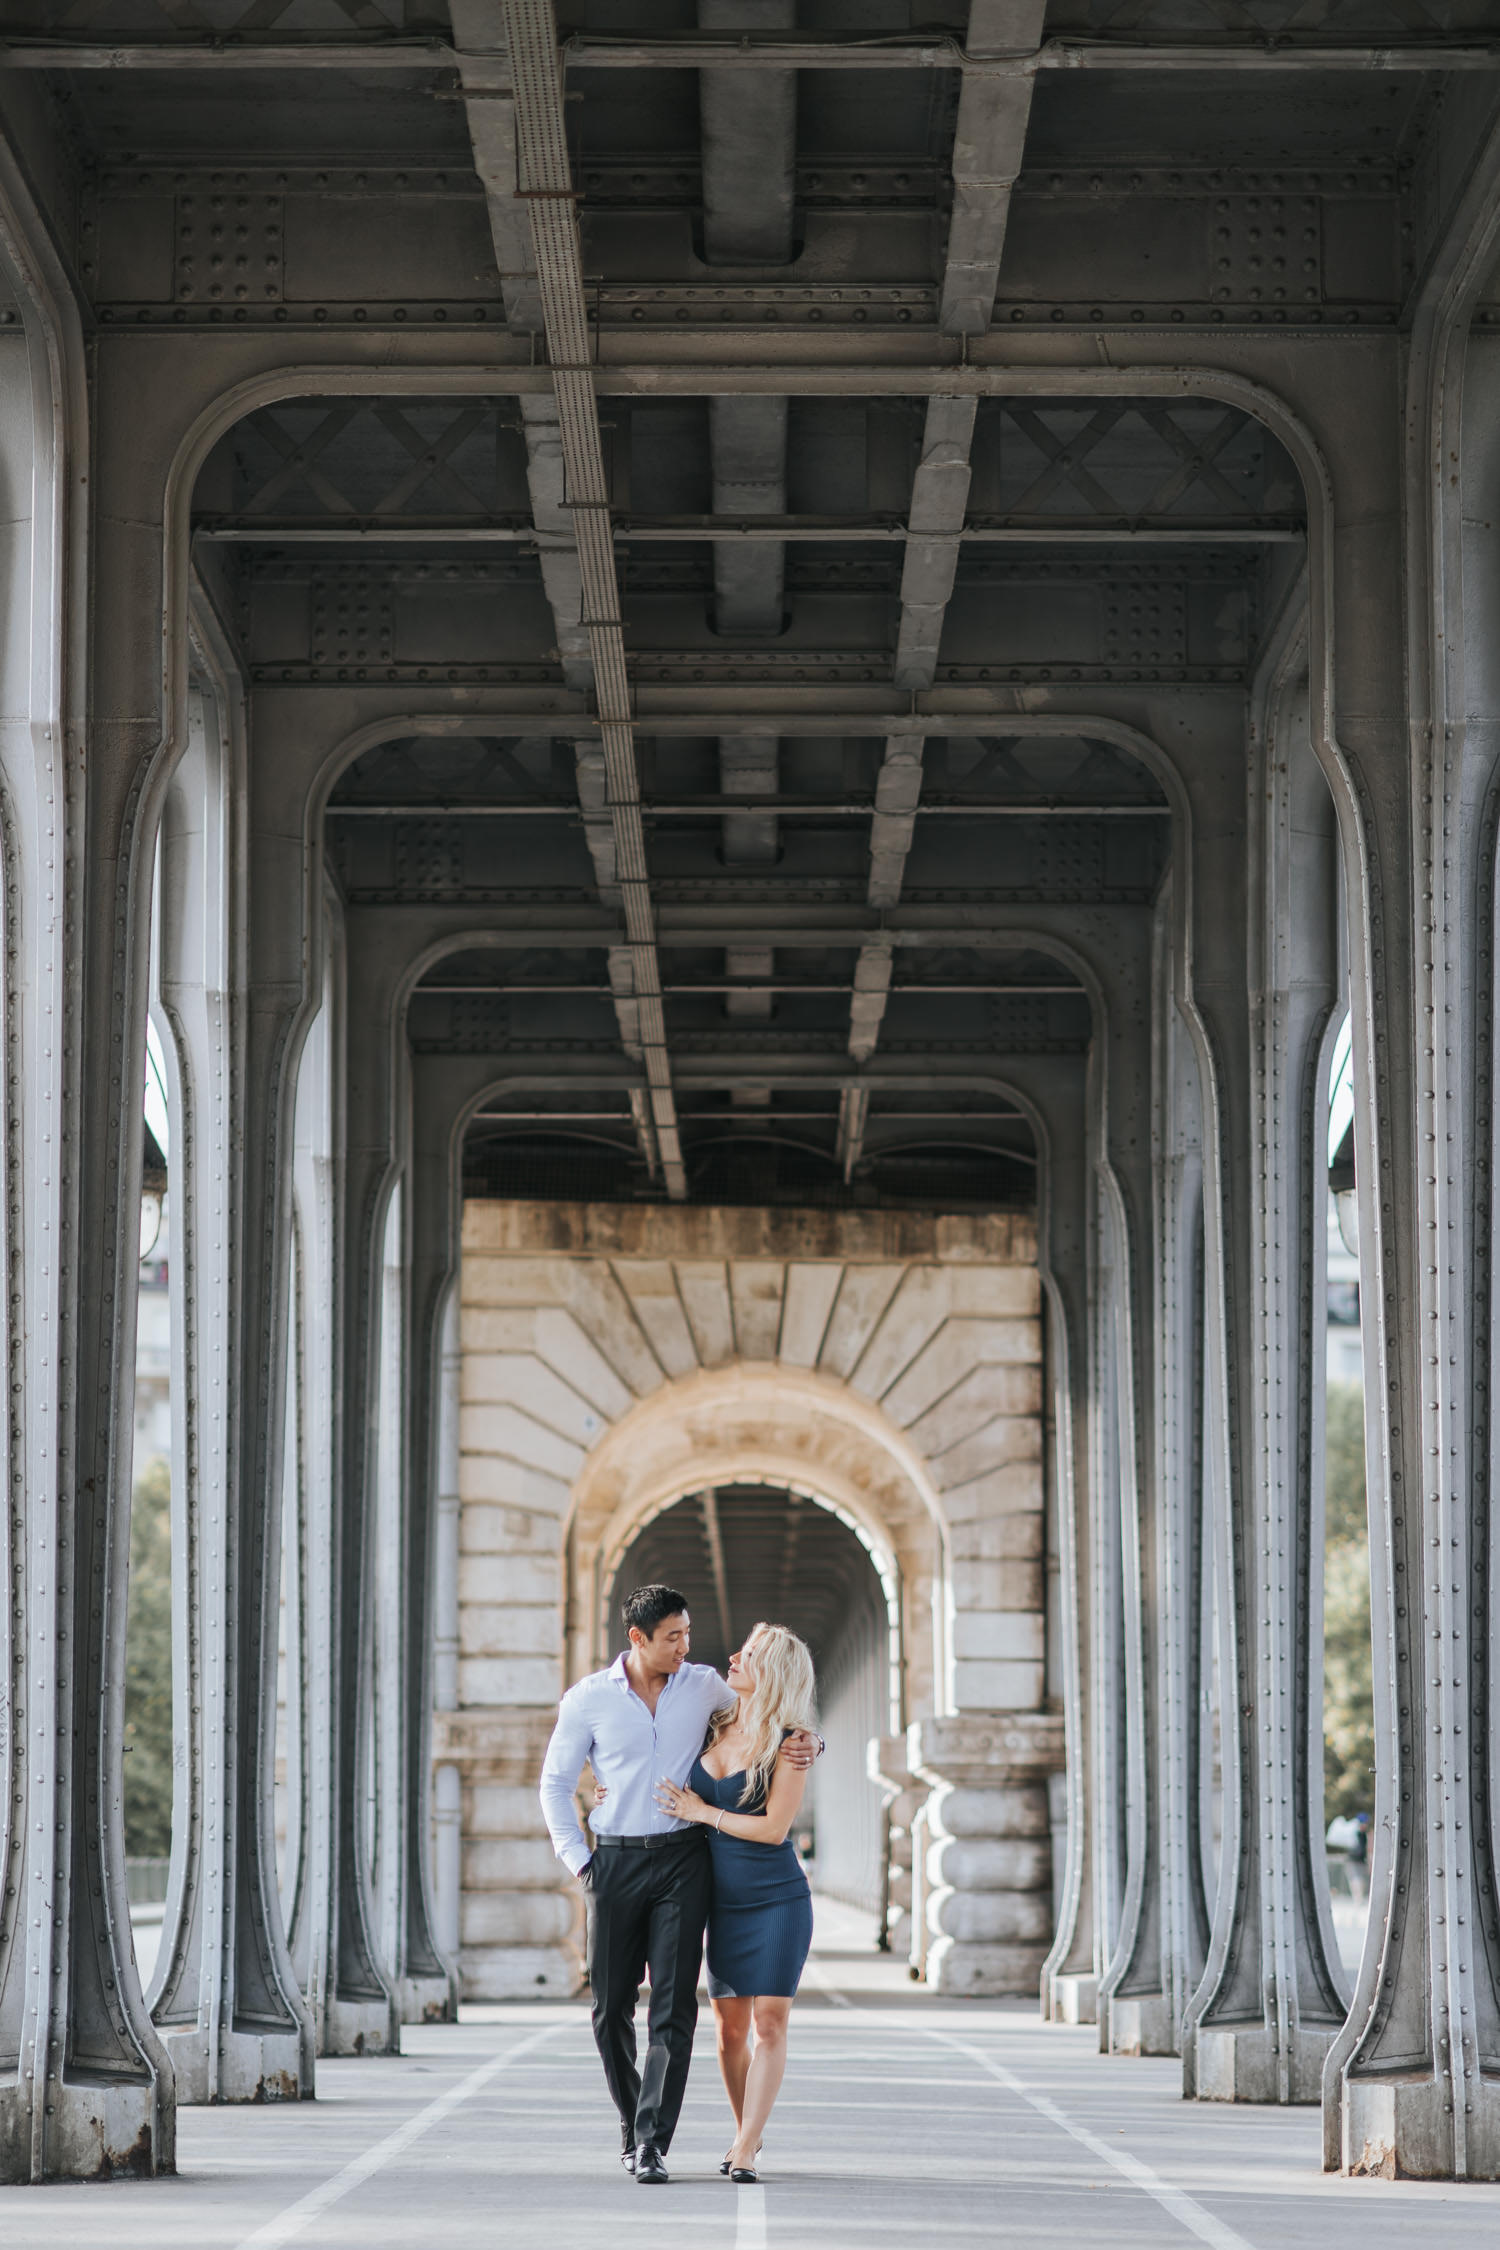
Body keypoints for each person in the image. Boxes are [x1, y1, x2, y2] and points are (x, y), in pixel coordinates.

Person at [538, 1584, 818, 2186]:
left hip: (685, 1866)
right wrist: (580, 1861)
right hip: (612, 1863)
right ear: (637, 1638)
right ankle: (633, 2124)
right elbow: (555, 1786)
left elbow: (778, 1711)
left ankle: (653, 2141)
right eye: (674, 1637)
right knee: (610, 2005)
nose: (688, 1648)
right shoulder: (587, 1699)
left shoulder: (705, 1688)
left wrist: (814, 1740)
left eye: (688, 1634)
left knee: (672, 2008)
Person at [654, 1621, 817, 2186]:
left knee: (770, 2024)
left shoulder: (792, 1743)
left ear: (771, 1671)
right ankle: (747, 2128)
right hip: (720, 1902)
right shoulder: (712, 1722)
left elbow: (774, 1829)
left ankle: (744, 2147)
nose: (733, 1656)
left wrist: (704, 1813)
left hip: (776, 1898)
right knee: (728, 2029)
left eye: (747, 1654)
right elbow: (654, 1751)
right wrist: (609, 1787)